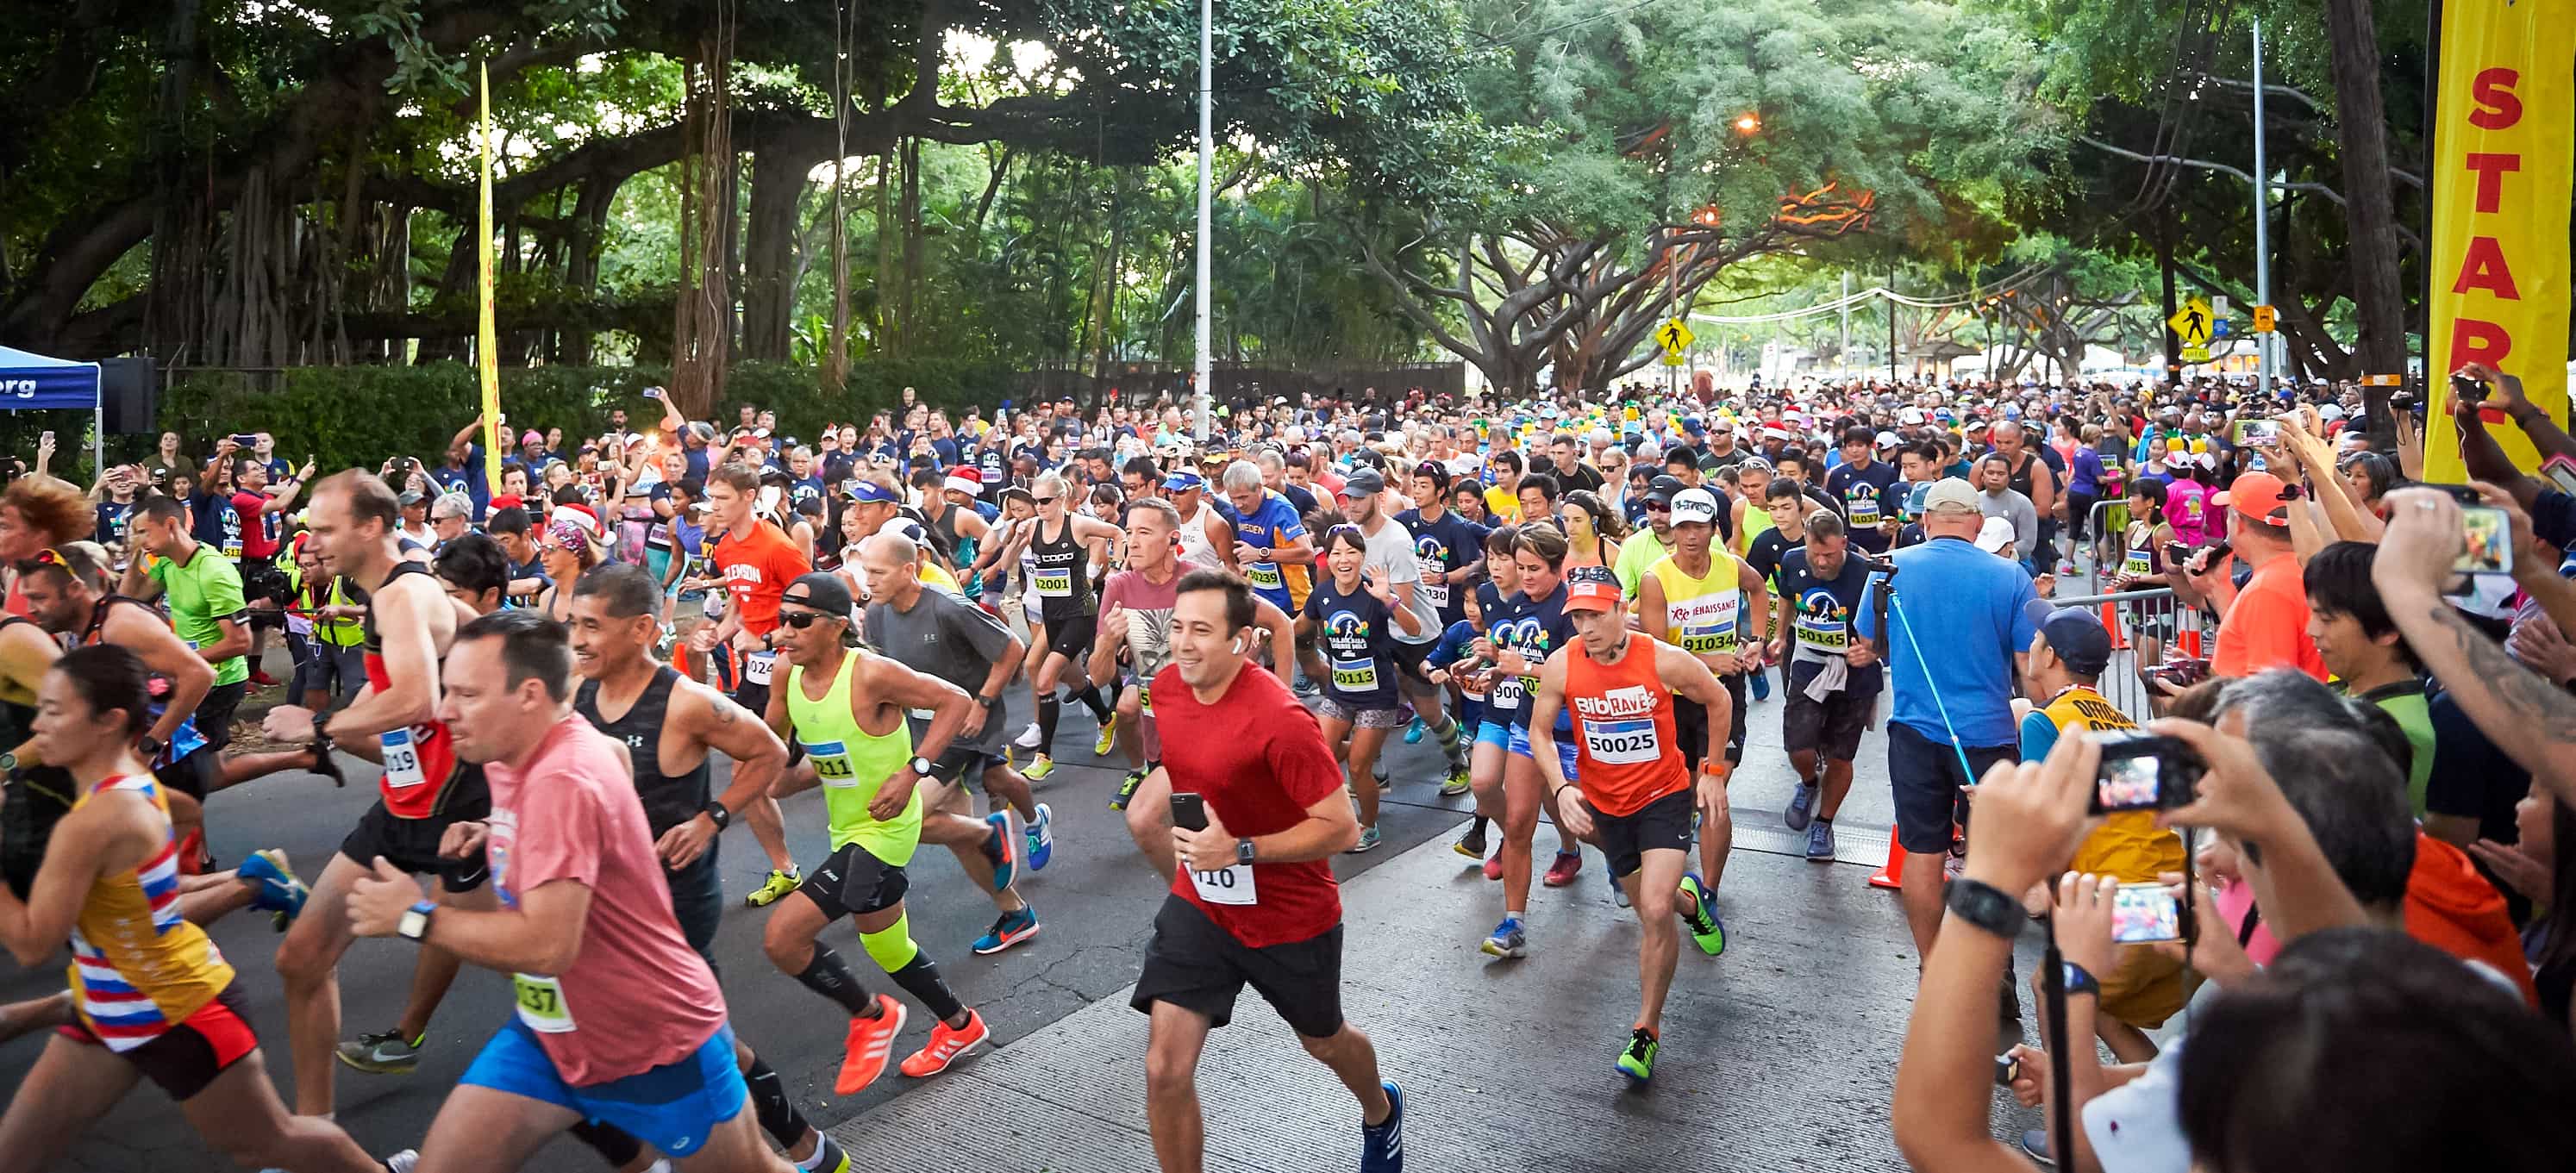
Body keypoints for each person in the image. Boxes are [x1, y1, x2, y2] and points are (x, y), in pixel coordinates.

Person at [342, 611, 795, 1173]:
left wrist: (414, 916)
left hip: (652, 1040)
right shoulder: (523, 746)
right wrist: (504, 829)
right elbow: (619, 759)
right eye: (446, 688)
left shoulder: (562, 779)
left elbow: (548, 946)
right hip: (551, 1035)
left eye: (465, 693)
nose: (444, 710)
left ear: (529, 693)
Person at [0, 646, 398, 1173]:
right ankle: (255, 880)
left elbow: (32, 944)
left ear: (108, 722)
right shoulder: (132, 787)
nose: (37, 724)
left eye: (53, 710)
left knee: (274, 1142)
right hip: (110, 1010)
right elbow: (168, 851)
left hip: (175, 1013)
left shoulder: (94, 820)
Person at [561, 565, 851, 1173]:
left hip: (671, 904)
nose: (579, 638)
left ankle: (783, 1153)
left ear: (642, 628)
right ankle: (805, 1151)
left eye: (593, 625)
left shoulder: (683, 700)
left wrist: (710, 818)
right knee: (678, 1041)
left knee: (679, 1045)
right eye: (574, 623)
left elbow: (768, 751)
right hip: (604, 901)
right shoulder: (579, 691)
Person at [1134, 567, 1404, 1173]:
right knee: (1164, 1067)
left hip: (1289, 914)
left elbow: (1342, 827)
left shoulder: (1282, 719)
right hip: (1203, 903)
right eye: (1178, 626)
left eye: (1202, 630)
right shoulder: (1170, 688)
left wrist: (1242, 848)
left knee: (1324, 1040)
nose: (1183, 642)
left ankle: (1381, 1110)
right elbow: (1188, 767)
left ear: (1242, 640)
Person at [250, 471, 489, 1111]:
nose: (312, 540)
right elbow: (469, 627)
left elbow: (417, 696)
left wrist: (319, 722)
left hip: (463, 807)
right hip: (404, 801)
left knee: (544, 964)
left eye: (325, 529)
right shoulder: (399, 582)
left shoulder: (403, 594)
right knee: (302, 959)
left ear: (371, 527)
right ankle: (315, 1127)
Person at [758, 572, 995, 1096]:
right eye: (782, 621)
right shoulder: (785, 675)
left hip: (886, 830)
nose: (785, 633)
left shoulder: (870, 674)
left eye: (799, 621)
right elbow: (787, 762)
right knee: (888, 946)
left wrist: (915, 770)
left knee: (783, 937)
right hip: (846, 827)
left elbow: (955, 700)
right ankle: (961, 1026)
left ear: (838, 627)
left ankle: (870, 1017)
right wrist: (769, 779)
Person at [1528, 565, 1731, 1084]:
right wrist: (1561, 786)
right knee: (1655, 909)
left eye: (1597, 614)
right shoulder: (1562, 665)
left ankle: (1646, 1029)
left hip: (1663, 797)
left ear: (1622, 609)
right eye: (1577, 617)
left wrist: (1711, 773)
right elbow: (1541, 732)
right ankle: (1694, 904)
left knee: (1654, 910)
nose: (1587, 628)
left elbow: (1719, 699)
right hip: (1605, 805)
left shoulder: (1662, 659)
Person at [1857, 477, 2037, 965]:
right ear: (1977, 524)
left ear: (1924, 520)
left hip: (1915, 729)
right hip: (1990, 734)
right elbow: (2028, 664)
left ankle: (1931, 963)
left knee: (1923, 851)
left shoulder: (1889, 571)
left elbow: (1870, 644)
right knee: (1988, 857)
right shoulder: (2009, 576)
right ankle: (1985, 965)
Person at [854, 532, 1048, 955]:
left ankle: (990, 833)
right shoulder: (876, 614)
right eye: (866, 571)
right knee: (959, 837)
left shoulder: (948, 607)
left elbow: (1012, 649)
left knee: (902, 817)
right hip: (918, 734)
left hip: (961, 730)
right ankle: (1016, 914)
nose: (869, 580)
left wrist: (982, 702)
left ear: (909, 570)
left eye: (878, 572)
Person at [2014, 602, 2186, 1063]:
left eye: (2037, 639)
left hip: (2119, 895)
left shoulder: (2045, 721)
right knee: (2098, 1006)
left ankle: (2068, 1122)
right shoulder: (2122, 723)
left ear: (2050, 656)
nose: (2029, 644)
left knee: (2053, 986)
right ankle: (2161, 1107)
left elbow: (2042, 821)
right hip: (2166, 893)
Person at [1633, 487, 1769, 921]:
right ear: (1672, 531)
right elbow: (1653, 651)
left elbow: (1759, 589)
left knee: (1714, 792)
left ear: (1714, 529)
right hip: (1673, 700)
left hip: (1722, 696)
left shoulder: (1730, 566)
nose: (1691, 537)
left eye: (1700, 527)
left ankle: (1708, 890)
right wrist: (1707, 659)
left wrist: (1757, 641)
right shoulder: (1656, 579)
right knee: (1682, 793)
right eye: (1683, 528)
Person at [693, 464, 809, 908]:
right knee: (754, 774)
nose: (714, 508)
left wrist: (767, 639)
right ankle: (785, 869)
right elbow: (742, 603)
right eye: (712, 499)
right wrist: (718, 632)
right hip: (758, 675)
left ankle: (835, 767)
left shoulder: (777, 547)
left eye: (722, 499)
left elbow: (812, 609)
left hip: (792, 667)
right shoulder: (725, 548)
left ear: (749, 496)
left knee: (764, 778)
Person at [1474, 524, 1585, 958]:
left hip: (1574, 733)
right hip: (1528, 727)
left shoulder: (1571, 611)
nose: (1524, 577)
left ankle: (1620, 864)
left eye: (1534, 568)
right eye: (1520, 567)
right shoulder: (1516, 605)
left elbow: (1581, 675)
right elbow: (1520, 661)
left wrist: (1527, 670)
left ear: (1558, 567)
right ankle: (1513, 925)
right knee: (1519, 823)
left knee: (1590, 825)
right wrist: (1497, 672)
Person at [981, 472, 1122, 780]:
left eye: (1045, 501)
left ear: (1061, 500)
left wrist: (1119, 569)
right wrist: (1013, 538)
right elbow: (1005, 564)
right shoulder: (1032, 528)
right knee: (1073, 679)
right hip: (1052, 615)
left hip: (1080, 613)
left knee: (1045, 679)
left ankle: (1044, 756)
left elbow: (1116, 533)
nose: (1040, 506)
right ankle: (1106, 718)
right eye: (1036, 501)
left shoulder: (1079, 525)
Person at [1298, 523, 1423, 852]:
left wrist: (1390, 599)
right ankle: (1357, 753)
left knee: (1358, 768)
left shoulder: (1374, 593)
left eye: (1351, 552)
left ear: (1363, 556)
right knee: (1318, 753)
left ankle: (1368, 826)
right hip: (1340, 694)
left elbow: (1414, 629)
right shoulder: (1322, 594)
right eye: (1337, 552)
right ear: (1327, 557)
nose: (1344, 560)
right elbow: (1298, 625)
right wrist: (1264, 630)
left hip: (1377, 697)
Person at [1768, 509, 1881, 863]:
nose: (1821, 562)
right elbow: (1786, 595)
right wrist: (1781, 636)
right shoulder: (1792, 561)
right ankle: (1807, 782)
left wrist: (1873, 651)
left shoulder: (1866, 573)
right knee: (1798, 745)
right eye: (1814, 553)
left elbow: (1889, 620)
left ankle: (1824, 824)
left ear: (1844, 544)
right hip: (1809, 663)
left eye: (1829, 555)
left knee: (1841, 755)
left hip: (1853, 673)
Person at [2302, 541, 2437, 813]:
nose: (2311, 630)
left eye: (2327, 619)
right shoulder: (2348, 688)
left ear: (2387, 630)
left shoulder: (2397, 732)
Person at [2182, 471, 2325, 682]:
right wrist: (2218, 588)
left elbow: (2269, 694)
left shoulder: (2268, 589)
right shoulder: (2294, 571)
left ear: (2238, 523)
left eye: (2228, 514)